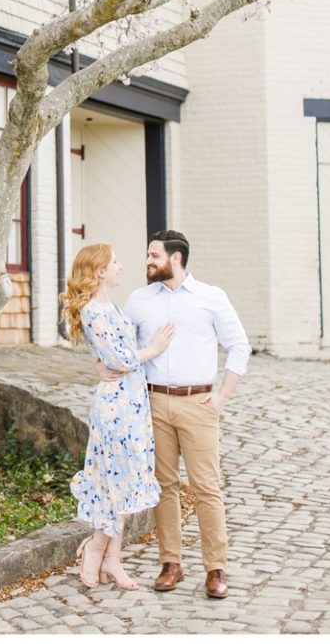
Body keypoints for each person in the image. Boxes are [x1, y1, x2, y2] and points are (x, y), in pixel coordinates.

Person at [122, 229, 252, 600]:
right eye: (149, 255)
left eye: (154, 255)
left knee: (206, 487)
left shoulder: (211, 297)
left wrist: (222, 397)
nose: (148, 261)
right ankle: (170, 563)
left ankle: (215, 569)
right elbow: (124, 350)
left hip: (198, 403)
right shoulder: (138, 300)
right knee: (163, 486)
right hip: (154, 403)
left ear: (175, 258)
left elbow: (239, 346)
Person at [60, 242, 173, 590]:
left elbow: (114, 354)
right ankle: (95, 549)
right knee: (112, 478)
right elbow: (120, 359)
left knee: (124, 479)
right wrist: (154, 348)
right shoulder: (94, 311)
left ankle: (112, 558)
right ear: (100, 271)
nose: (121, 266)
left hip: (133, 401)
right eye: (115, 262)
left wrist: (105, 360)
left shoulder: (111, 305)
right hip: (116, 406)